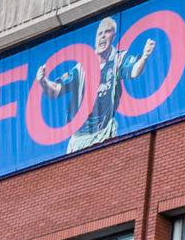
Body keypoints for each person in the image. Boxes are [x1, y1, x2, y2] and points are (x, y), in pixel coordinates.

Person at [37, 16, 155, 151]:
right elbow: (56, 90)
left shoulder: (118, 59)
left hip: (103, 132)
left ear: (113, 36)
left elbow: (134, 71)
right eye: (100, 33)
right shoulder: (81, 69)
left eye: (107, 32)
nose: (102, 36)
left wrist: (144, 58)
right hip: (80, 137)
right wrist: (43, 81)